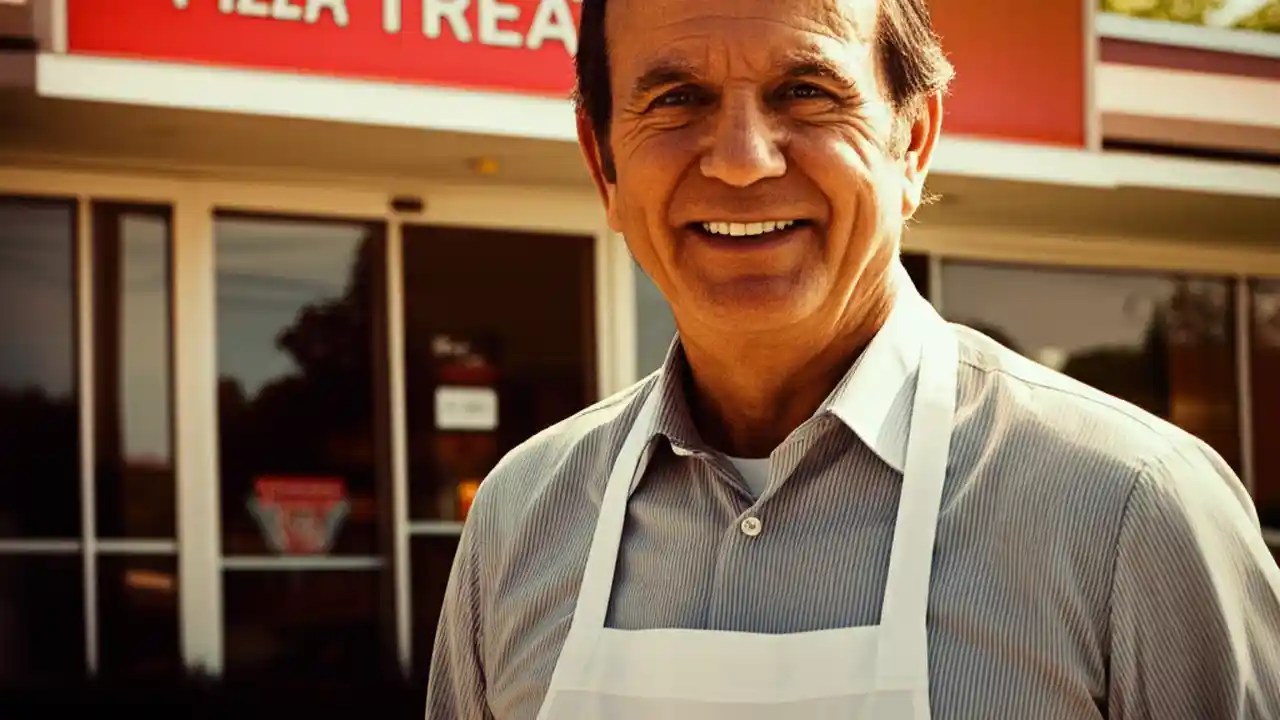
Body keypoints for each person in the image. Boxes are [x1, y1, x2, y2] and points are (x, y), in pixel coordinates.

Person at [426, 0, 1280, 717]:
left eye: (805, 91)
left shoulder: (1132, 513)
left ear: (913, 141)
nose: (740, 160)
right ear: (602, 163)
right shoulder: (520, 519)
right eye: (677, 98)